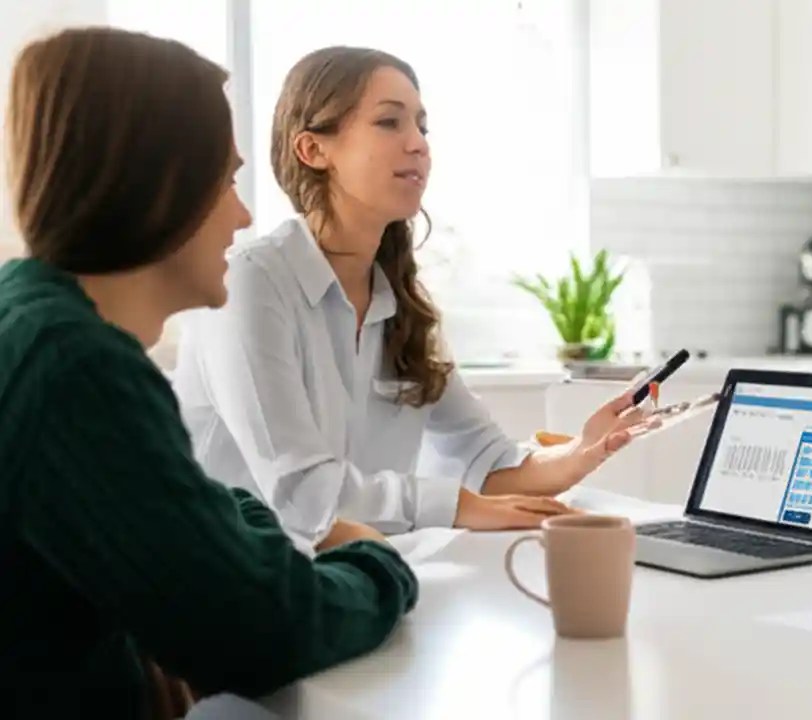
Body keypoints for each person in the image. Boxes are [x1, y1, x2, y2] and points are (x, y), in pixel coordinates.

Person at [0, 28, 418, 717]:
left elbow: (179, 507)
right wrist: (380, 565)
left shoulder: (34, 321)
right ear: (158, 186)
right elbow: (264, 631)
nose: (243, 214)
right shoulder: (74, 368)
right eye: (225, 180)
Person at [173, 46, 651, 548]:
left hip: (353, 571)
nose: (418, 144)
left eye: (422, 126)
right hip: (230, 581)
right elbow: (302, 494)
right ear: (313, 150)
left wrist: (583, 450)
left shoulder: (402, 304)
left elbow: (485, 460)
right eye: (389, 123)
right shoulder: (251, 283)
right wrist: (464, 508)